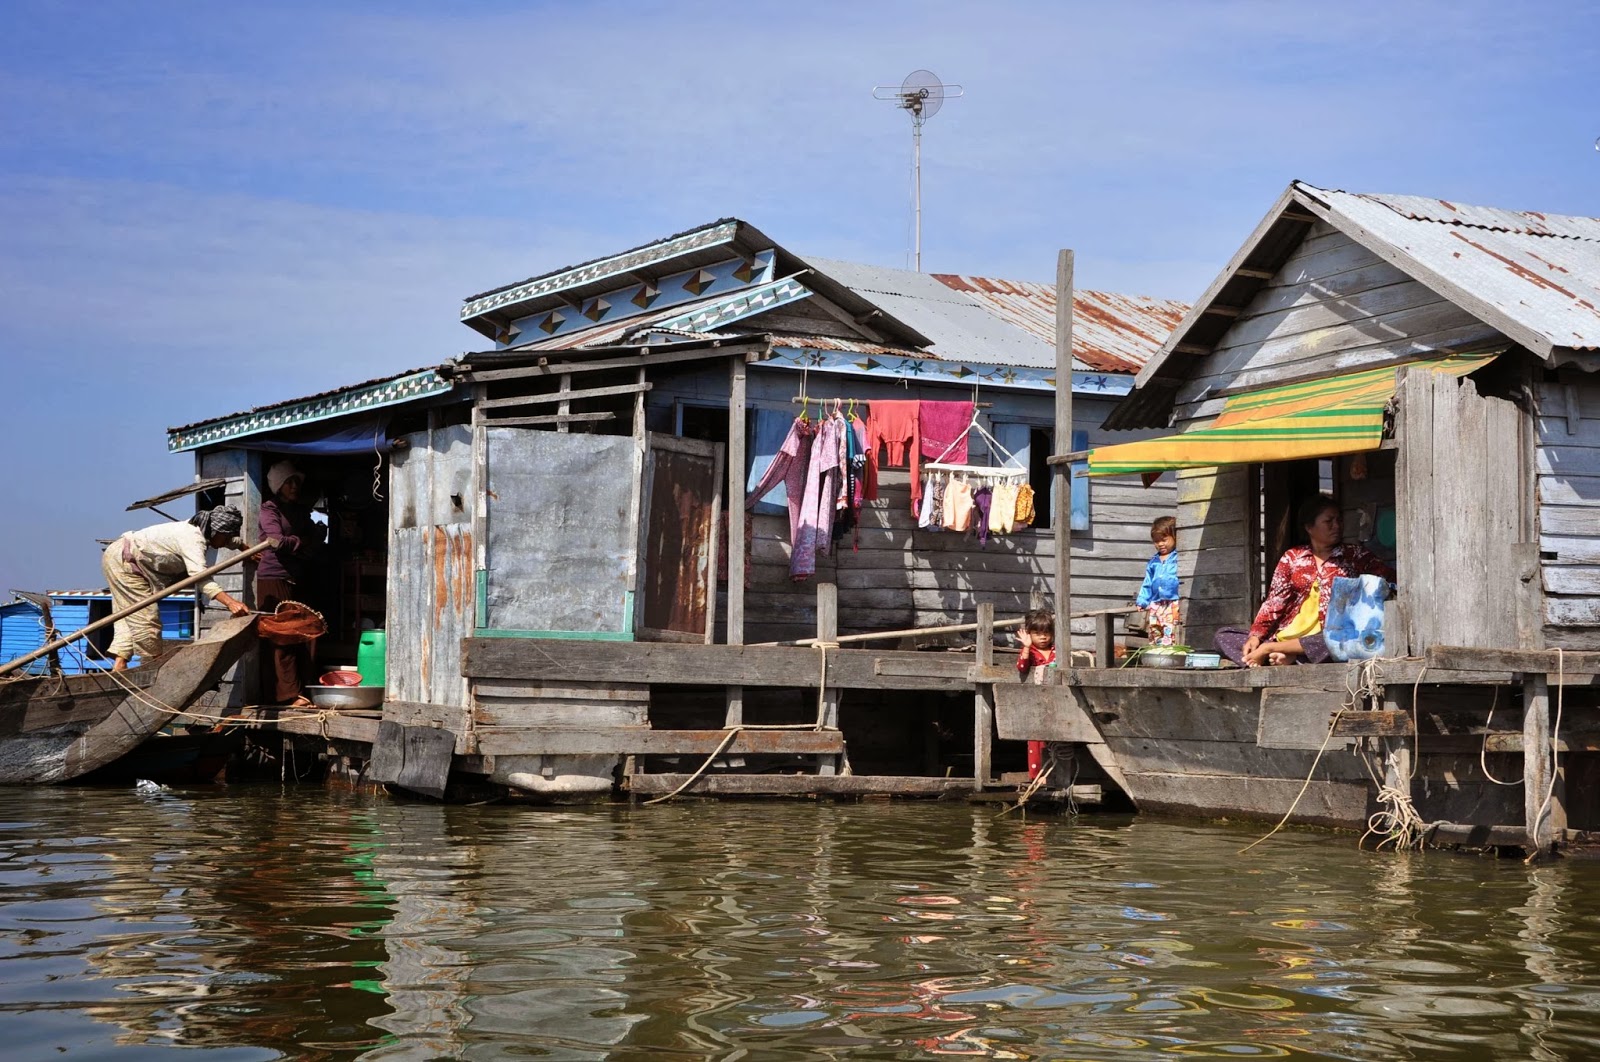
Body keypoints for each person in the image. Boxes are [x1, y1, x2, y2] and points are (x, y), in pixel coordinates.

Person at [1216, 495, 1395, 667]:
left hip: (1326, 637)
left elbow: (1389, 581)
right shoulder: (1292, 558)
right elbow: (1274, 602)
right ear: (1309, 527)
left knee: (1338, 641)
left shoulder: (1355, 555)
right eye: (1329, 521)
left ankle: (1272, 652)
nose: (1337, 526)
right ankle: (1284, 655)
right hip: (1287, 636)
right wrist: (1255, 636)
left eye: (1339, 520)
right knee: (1222, 636)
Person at [101, 505, 251, 671]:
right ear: (216, 531)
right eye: (226, 537)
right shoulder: (192, 539)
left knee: (131, 614)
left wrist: (244, 548)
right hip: (124, 562)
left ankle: (120, 665)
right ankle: (157, 668)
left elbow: (229, 541)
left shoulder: (206, 530)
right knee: (145, 617)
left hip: (124, 558)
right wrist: (230, 602)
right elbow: (200, 577)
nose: (225, 543)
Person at [257, 461, 326, 707]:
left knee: (309, 631)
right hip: (273, 578)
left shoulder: (299, 512)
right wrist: (302, 541)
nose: (294, 486)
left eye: (296, 481)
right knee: (281, 637)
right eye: (289, 482)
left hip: (297, 577)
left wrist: (305, 541)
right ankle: (286, 695)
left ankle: (304, 689)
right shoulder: (269, 509)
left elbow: (314, 540)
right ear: (278, 486)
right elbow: (276, 542)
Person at [1016, 608, 1057, 780]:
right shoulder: (1031, 652)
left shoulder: (1056, 651)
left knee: (1056, 737)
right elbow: (1022, 667)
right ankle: (1036, 775)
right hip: (1035, 699)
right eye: (1038, 634)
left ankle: (1054, 773)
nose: (1043, 637)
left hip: (1055, 699)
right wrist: (1026, 647)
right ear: (1030, 634)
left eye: (1046, 633)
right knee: (1036, 738)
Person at [1136, 515, 1181, 646]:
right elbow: (1148, 583)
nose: (1160, 544)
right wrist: (1142, 600)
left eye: (1164, 540)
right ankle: (1157, 651)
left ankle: (1170, 652)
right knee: (1155, 630)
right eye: (1156, 541)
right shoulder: (1153, 562)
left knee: (1171, 630)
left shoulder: (1178, 557)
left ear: (1175, 537)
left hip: (1173, 602)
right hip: (1156, 604)